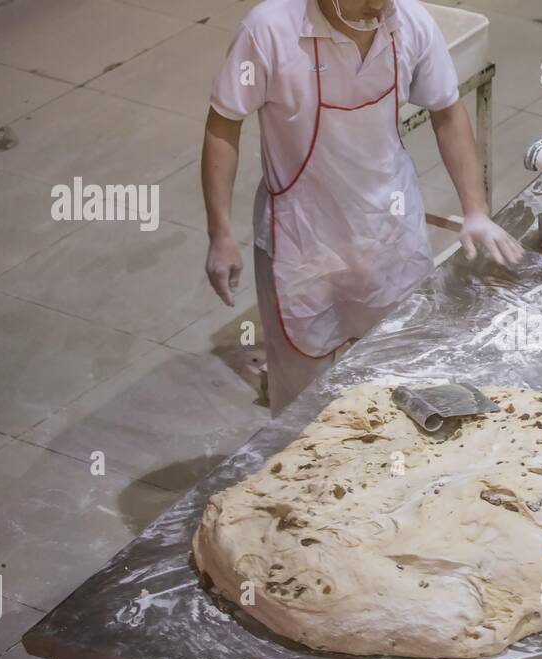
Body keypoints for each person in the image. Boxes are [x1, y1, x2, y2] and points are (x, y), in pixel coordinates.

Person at [201, 0, 523, 414]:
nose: (377, 7)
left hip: (389, 234)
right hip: (302, 243)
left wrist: (475, 209)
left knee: (410, 368)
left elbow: (447, 111)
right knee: (303, 401)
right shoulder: (269, 31)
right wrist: (220, 234)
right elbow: (222, 124)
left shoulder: (409, 23)